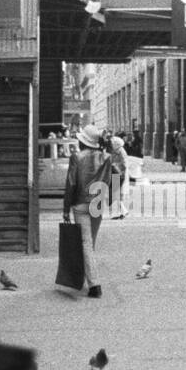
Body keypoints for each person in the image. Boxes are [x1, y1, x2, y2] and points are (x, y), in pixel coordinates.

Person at [63, 125, 112, 298]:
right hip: (97, 203)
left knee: (86, 244)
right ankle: (87, 278)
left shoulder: (76, 157)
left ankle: (94, 285)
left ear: (83, 141)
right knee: (90, 243)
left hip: (81, 204)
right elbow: (116, 175)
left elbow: (71, 183)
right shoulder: (107, 157)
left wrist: (65, 208)